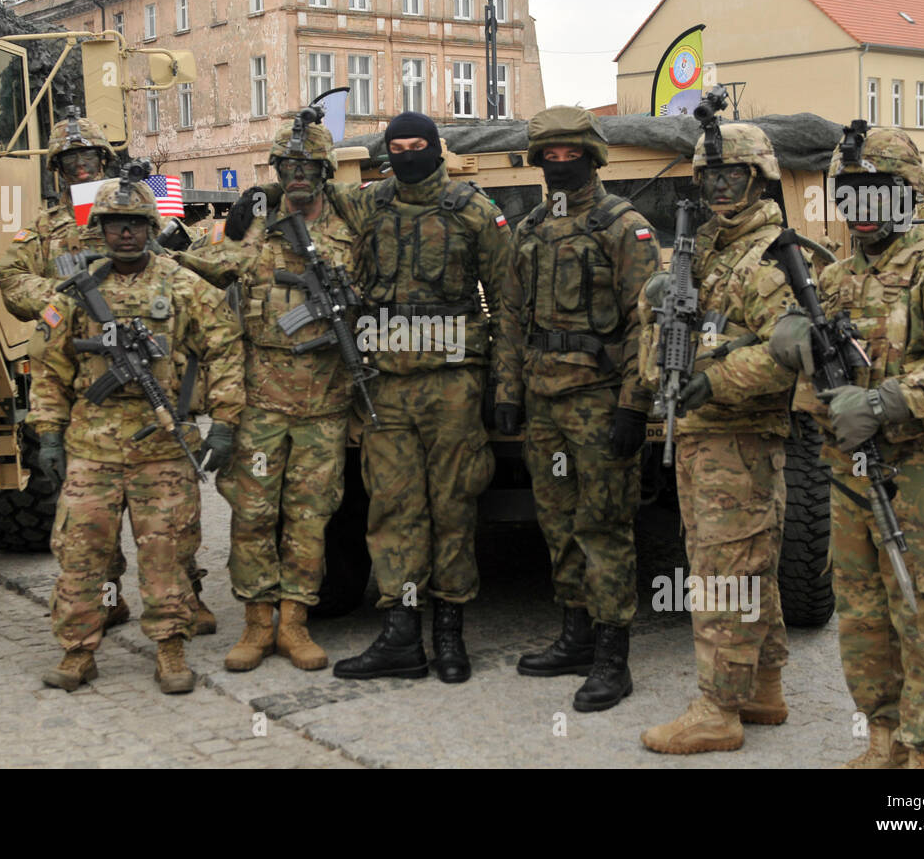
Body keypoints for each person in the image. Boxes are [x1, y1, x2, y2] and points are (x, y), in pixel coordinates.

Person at [769, 125, 924, 768]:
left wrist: (884, 401)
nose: (862, 210)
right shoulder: (840, 275)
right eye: (850, 195)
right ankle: (883, 740)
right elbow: (805, 346)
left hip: (923, 475)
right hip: (849, 474)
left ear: (907, 196)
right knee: (863, 612)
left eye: (877, 194)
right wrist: (788, 335)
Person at [0, 111, 216, 634]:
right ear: (57, 169)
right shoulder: (48, 230)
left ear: (103, 161)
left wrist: (164, 248)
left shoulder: (139, 210)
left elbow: (192, 269)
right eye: (69, 161)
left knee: (168, 501)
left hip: (153, 376)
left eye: (88, 158)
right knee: (93, 507)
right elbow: (8, 274)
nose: (79, 166)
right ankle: (108, 598)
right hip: (80, 376)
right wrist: (57, 301)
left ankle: (185, 593)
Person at [30, 177, 243, 693]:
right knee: (80, 552)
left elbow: (226, 349)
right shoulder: (75, 291)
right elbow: (48, 367)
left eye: (134, 225)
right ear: (98, 229)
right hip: (92, 445)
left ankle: (170, 648)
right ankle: (78, 649)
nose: (124, 234)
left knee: (167, 552)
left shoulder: (185, 284)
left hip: (163, 444)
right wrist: (49, 434)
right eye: (113, 225)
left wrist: (226, 421)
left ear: (149, 229)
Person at [326, 111, 513, 683]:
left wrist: (506, 388)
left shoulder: (475, 211)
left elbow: (507, 304)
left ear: (437, 149)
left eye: (418, 145)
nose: (408, 155)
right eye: (398, 146)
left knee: (453, 508)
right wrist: (253, 200)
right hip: (385, 386)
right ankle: (401, 635)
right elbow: (304, 187)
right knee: (392, 510)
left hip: (453, 384)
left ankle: (450, 635)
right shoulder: (368, 203)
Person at [637, 122, 801, 752]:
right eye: (709, 177)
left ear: (758, 179)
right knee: (746, 566)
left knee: (721, 571)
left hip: (740, 437)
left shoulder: (774, 256)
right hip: (705, 437)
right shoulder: (703, 248)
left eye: (732, 176)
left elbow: (788, 352)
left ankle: (717, 710)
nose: (720, 187)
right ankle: (761, 687)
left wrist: (718, 381)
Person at [494, 105, 659, 713]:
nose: (560, 164)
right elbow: (511, 317)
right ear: (537, 161)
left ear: (592, 157)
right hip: (543, 403)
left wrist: (633, 407)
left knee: (604, 526)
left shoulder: (624, 227)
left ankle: (614, 657)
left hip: (599, 400)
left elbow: (648, 321)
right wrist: (508, 393)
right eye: (549, 155)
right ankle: (576, 635)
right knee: (557, 522)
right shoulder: (531, 228)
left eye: (571, 154)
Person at [182, 119, 355, 672]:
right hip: (260, 402)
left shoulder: (351, 230)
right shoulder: (255, 228)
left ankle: (295, 623)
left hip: (324, 405)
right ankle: (257, 624)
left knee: (309, 517)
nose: (298, 177)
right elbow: (210, 270)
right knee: (253, 513)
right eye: (288, 168)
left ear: (325, 173)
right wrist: (175, 248)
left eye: (308, 168)